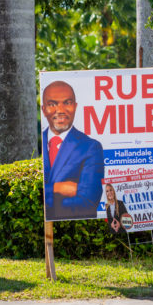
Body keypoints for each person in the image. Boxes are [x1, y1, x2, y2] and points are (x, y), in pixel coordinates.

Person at [41, 80, 104, 221]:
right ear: (44, 109)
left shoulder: (90, 148)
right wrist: (58, 188)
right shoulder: (35, 143)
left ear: (75, 106)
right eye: (52, 104)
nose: (61, 110)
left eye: (67, 103)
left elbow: (88, 203)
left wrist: (44, 197)